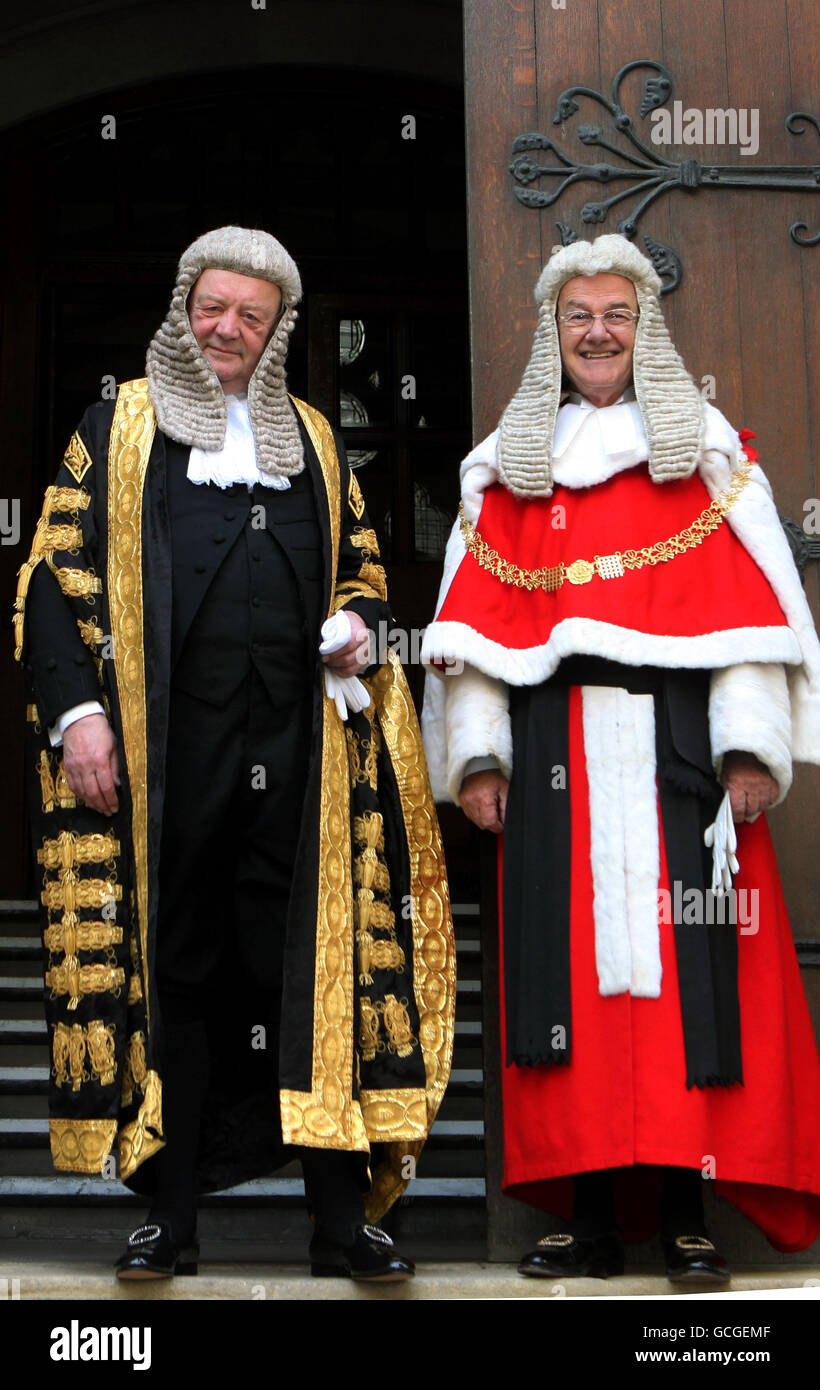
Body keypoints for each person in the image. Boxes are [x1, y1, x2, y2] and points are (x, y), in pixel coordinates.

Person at [14, 226, 454, 1282]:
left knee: (314, 974)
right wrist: (80, 720)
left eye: (250, 316)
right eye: (213, 307)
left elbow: (362, 568)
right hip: (167, 760)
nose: (228, 329)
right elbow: (46, 579)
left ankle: (340, 1227)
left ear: (277, 329)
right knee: (179, 971)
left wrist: (358, 622)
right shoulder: (115, 424)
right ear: (183, 306)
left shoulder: (309, 434)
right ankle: (171, 1220)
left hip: (303, 759)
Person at [421, 233, 820, 1283]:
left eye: (616, 315)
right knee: (568, 998)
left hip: (682, 760)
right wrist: (479, 760)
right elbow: (469, 641)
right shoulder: (508, 473)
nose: (596, 332)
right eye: (577, 316)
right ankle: (587, 1215)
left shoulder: (707, 461)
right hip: (552, 758)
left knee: (695, 987)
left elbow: (749, 627)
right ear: (553, 335)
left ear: (644, 331)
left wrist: (749, 748)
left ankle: (688, 1216)